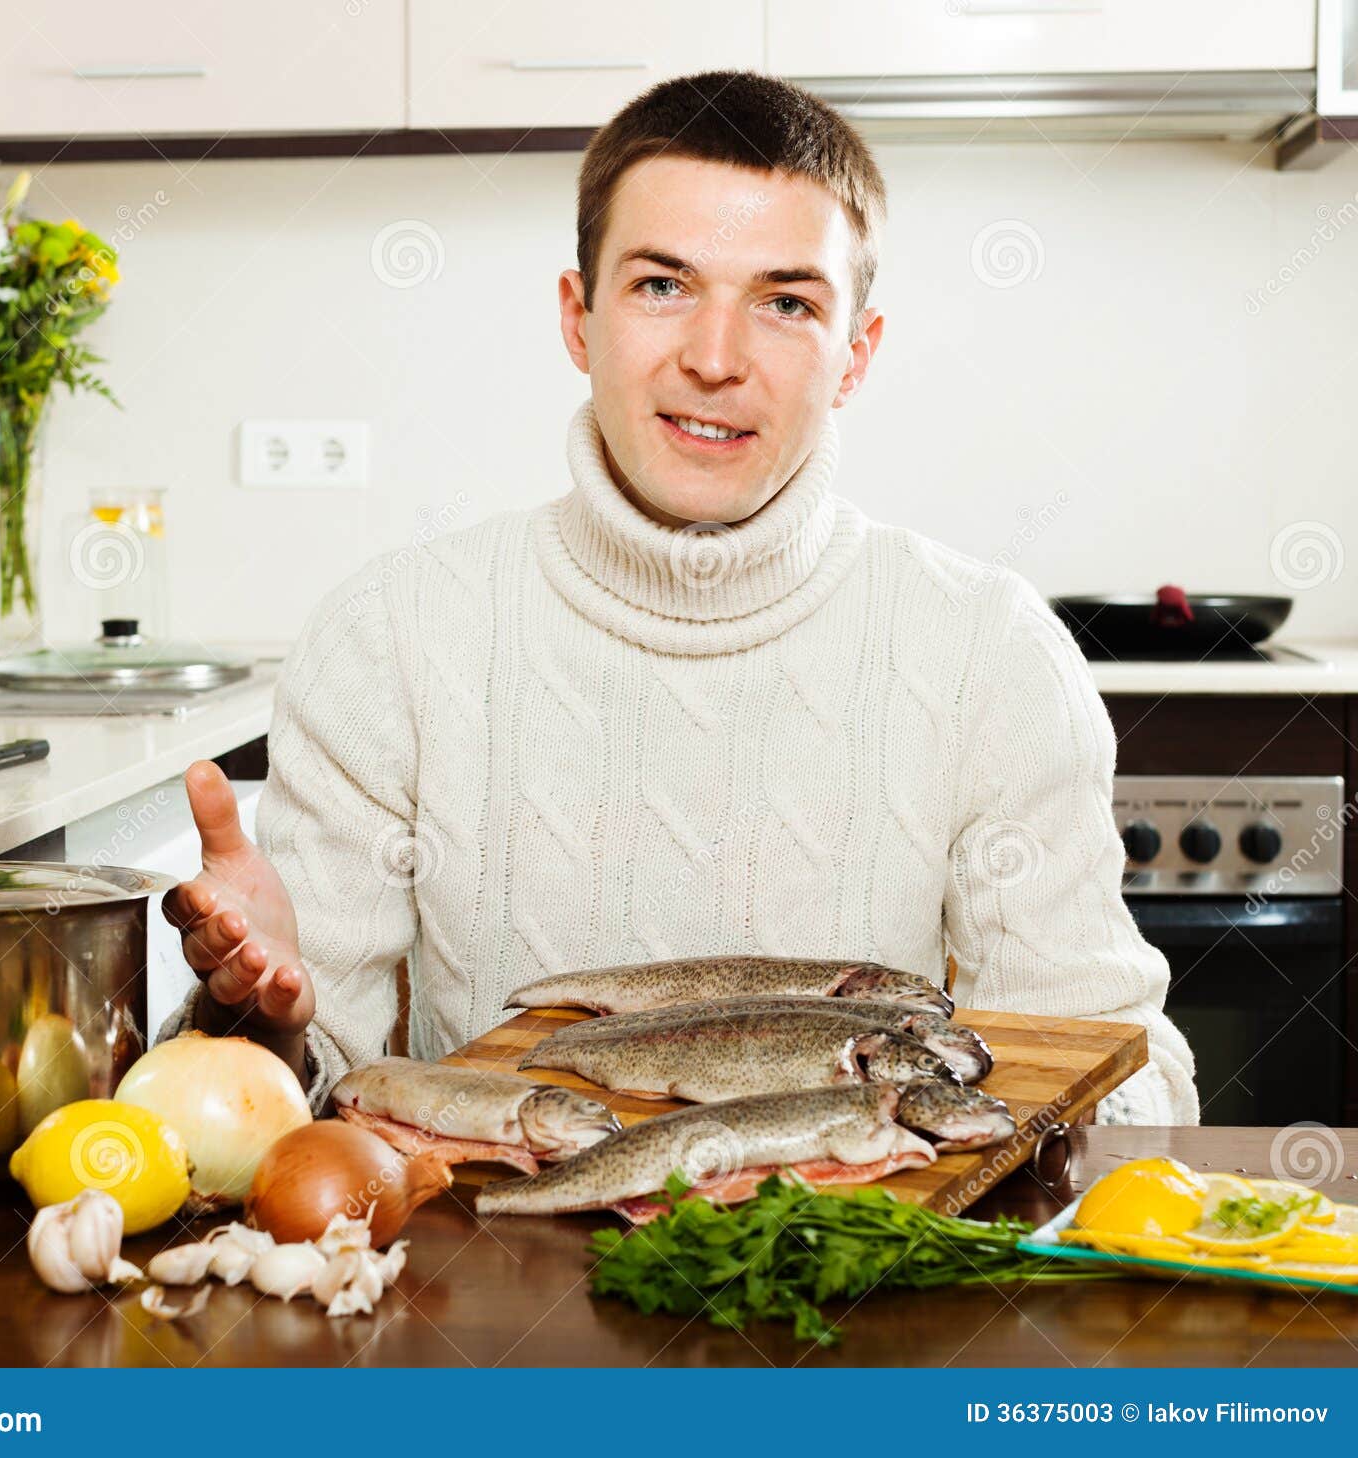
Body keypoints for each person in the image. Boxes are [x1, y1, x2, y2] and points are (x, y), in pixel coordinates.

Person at [160, 69, 1198, 1125]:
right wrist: (255, 1017)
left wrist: (1058, 1116)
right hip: (497, 1271)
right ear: (579, 318)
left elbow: (1124, 1073)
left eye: (786, 303)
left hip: (872, 1276)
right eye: (663, 286)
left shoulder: (988, 648)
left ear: (855, 355)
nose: (714, 359)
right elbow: (295, 1093)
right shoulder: (390, 635)